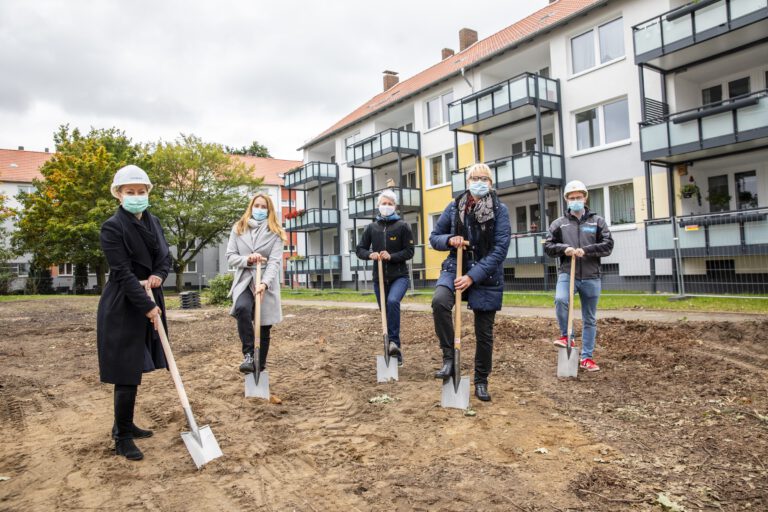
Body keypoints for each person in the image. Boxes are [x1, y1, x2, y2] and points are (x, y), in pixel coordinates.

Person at [97, 164, 170, 461]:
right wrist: (148, 307)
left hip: (150, 294)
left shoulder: (154, 222)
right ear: (119, 195)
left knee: (138, 365)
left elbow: (165, 256)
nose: (137, 196)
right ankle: (122, 437)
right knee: (126, 370)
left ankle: (123, 423)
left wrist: (159, 275)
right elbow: (122, 272)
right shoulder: (112, 227)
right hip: (124, 303)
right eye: (130, 192)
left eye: (141, 192)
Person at [430, 163, 511, 401]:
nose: (479, 182)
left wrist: (472, 277)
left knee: (484, 333)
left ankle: (481, 380)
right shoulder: (455, 207)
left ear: (491, 183)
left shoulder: (500, 210)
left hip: (486, 273)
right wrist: (449, 239)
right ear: (467, 182)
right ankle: (449, 358)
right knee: (439, 302)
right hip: (456, 266)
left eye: (484, 178)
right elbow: (434, 237)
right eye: (475, 178)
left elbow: (500, 249)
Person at [544, 180, 614, 372]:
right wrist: (564, 249)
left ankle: (587, 358)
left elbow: (608, 245)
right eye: (572, 198)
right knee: (560, 299)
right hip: (568, 273)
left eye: (579, 197)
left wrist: (587, 250)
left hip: (591, 276)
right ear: (566, 200)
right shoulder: (559, 224)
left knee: (589, 318)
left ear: (585, 198)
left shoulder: (597, 222)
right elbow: (548, 246)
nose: (576, 200)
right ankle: (568, 337)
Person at [226, 193, 286, 374]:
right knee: (242, 308)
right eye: (256, 205)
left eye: (263, 207)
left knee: (264, 325)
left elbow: (275, 262)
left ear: (269, 210)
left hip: (265, 281)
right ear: (251, 207)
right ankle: (249, 355)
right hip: (244, 279)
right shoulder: (239, 228)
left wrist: (265, 284)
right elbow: (230, 257)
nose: (259, 209)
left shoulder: (276, 232)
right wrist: (248, 259)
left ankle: (260, 366)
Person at [356, 189, 415, 366]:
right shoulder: (371, 228)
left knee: (392, 302)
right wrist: (370, 254)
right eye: (384, 203)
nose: (386, 206)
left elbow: (409, 251)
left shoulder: (403, 226)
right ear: (378, 206)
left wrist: (392, 256)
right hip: (379, 278)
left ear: (395, 207)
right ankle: (391, 349)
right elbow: (360, 249)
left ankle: (395, 345)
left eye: (390, 204)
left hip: (399, 277)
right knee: (386, 315)